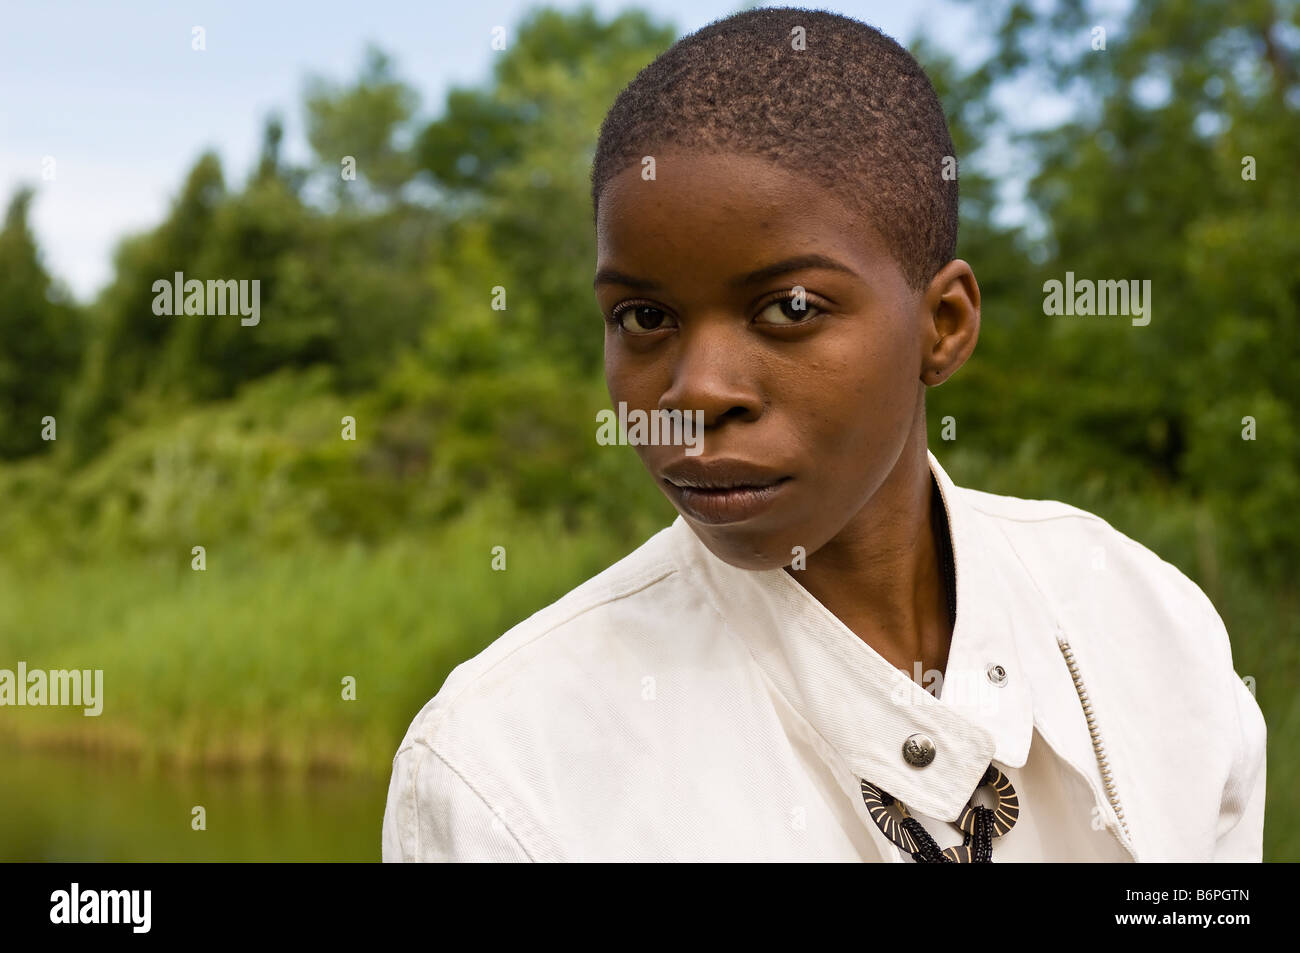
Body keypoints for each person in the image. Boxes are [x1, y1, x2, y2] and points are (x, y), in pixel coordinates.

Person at [382, 7, 1265, 862]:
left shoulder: (1150, 630)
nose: (697, 392)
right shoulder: (501, 770)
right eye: (644, 316)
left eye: (790, 307)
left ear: (943, 325)